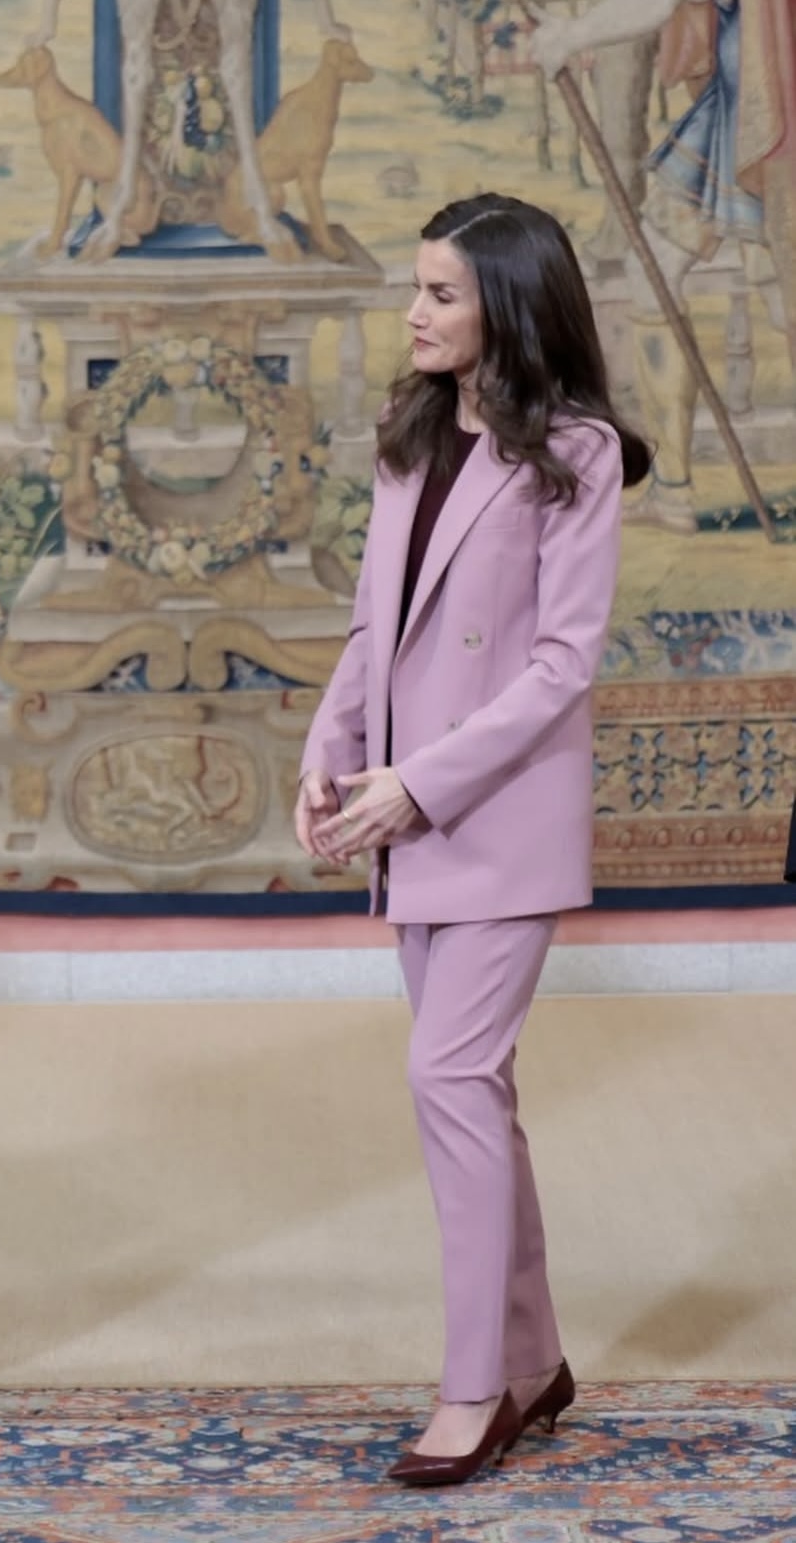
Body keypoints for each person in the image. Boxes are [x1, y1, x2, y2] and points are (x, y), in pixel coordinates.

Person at [294, 193, 652, 1488]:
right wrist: (328, 751)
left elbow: (561, 664)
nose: (414, 312)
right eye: (416, 288)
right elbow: (367, 623)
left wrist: (418, 785)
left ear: (508, 300)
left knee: (447, 1077)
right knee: (477, 1092)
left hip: (493, 817)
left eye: (439, 292)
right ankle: (538, 1355)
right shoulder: (408, 433)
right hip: (404, 815)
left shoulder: (580, 451)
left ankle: (475, 1389)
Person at [530, 0, 796, 533]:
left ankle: (674, 488)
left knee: (780, 292)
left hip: (773, 128)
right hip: (738, 117)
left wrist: (573, 34)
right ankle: (672, 488)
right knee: (653, 267)